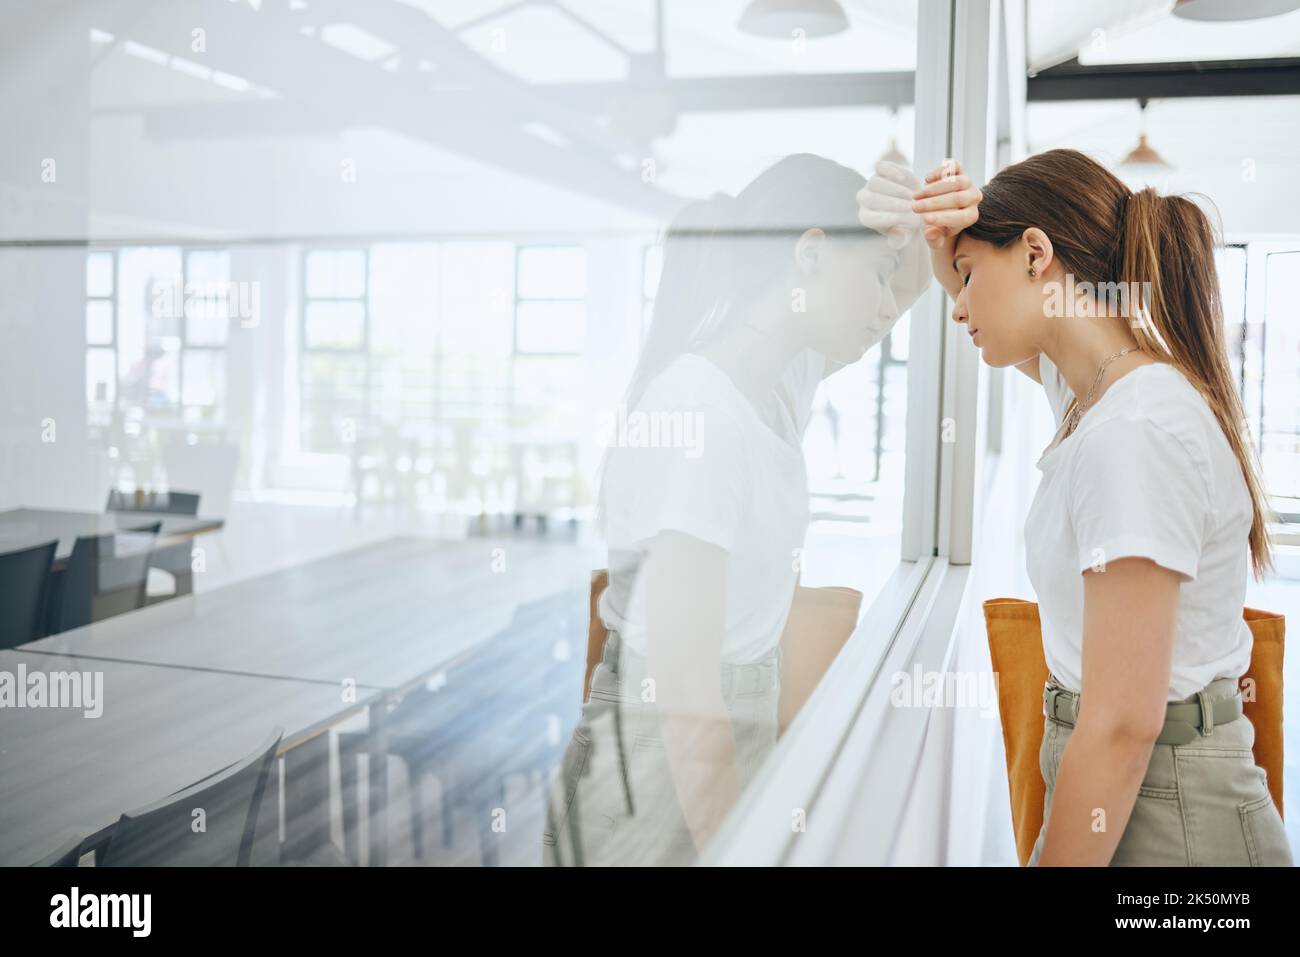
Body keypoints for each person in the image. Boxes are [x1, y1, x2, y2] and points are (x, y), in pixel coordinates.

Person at [540, 153, 930, 866]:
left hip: (730, 720)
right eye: (873, 275)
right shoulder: (700, 411)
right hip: (663, 750)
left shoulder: (779, 382)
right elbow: (689, 692)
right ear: (810, 254)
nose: (885, 307)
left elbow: (915, 283)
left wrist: (912, 215)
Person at [912, 148, 1291, 866]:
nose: (958, 306)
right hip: (1145, 795)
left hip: (1168, 811)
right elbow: (1015, 341)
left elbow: (1120, 724)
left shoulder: (1133, 429)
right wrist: (947, 253)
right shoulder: (1102, 395)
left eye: (967, 278)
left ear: (1034, 254)